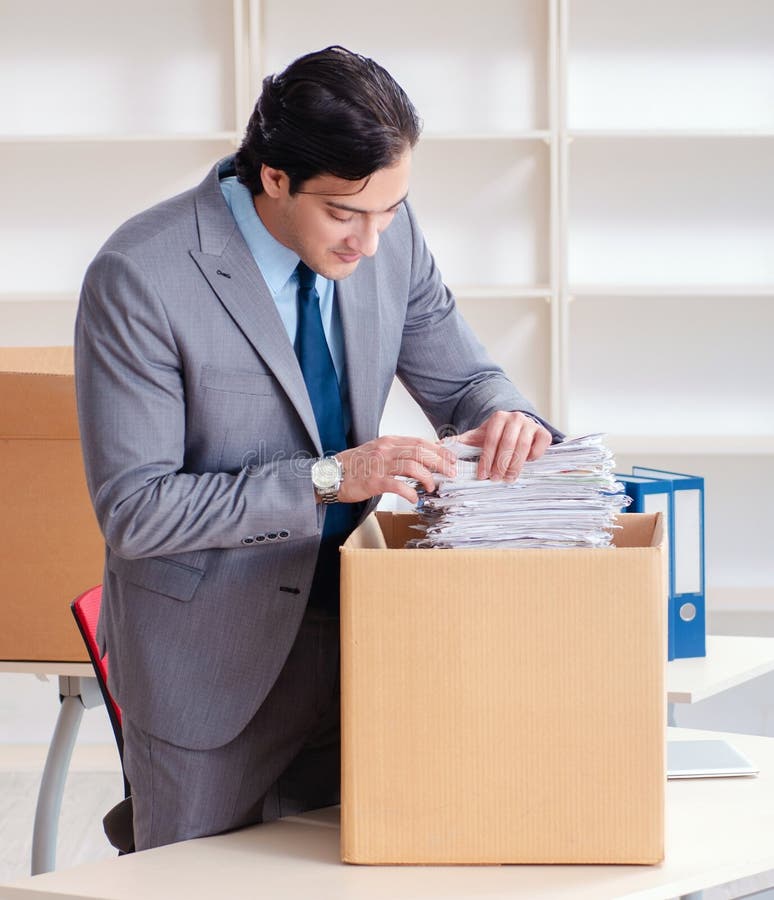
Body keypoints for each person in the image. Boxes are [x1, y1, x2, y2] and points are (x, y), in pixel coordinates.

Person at [75, 45, 563, 852]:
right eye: (344, 213)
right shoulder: (142, 275)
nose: (369, 244)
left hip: (373, 643)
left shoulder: (386, 239)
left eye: (391, 211)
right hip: (210, 668)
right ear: (273, 177)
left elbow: (467, 381)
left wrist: (509, 416)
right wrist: (334, 477)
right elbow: (136, 511)